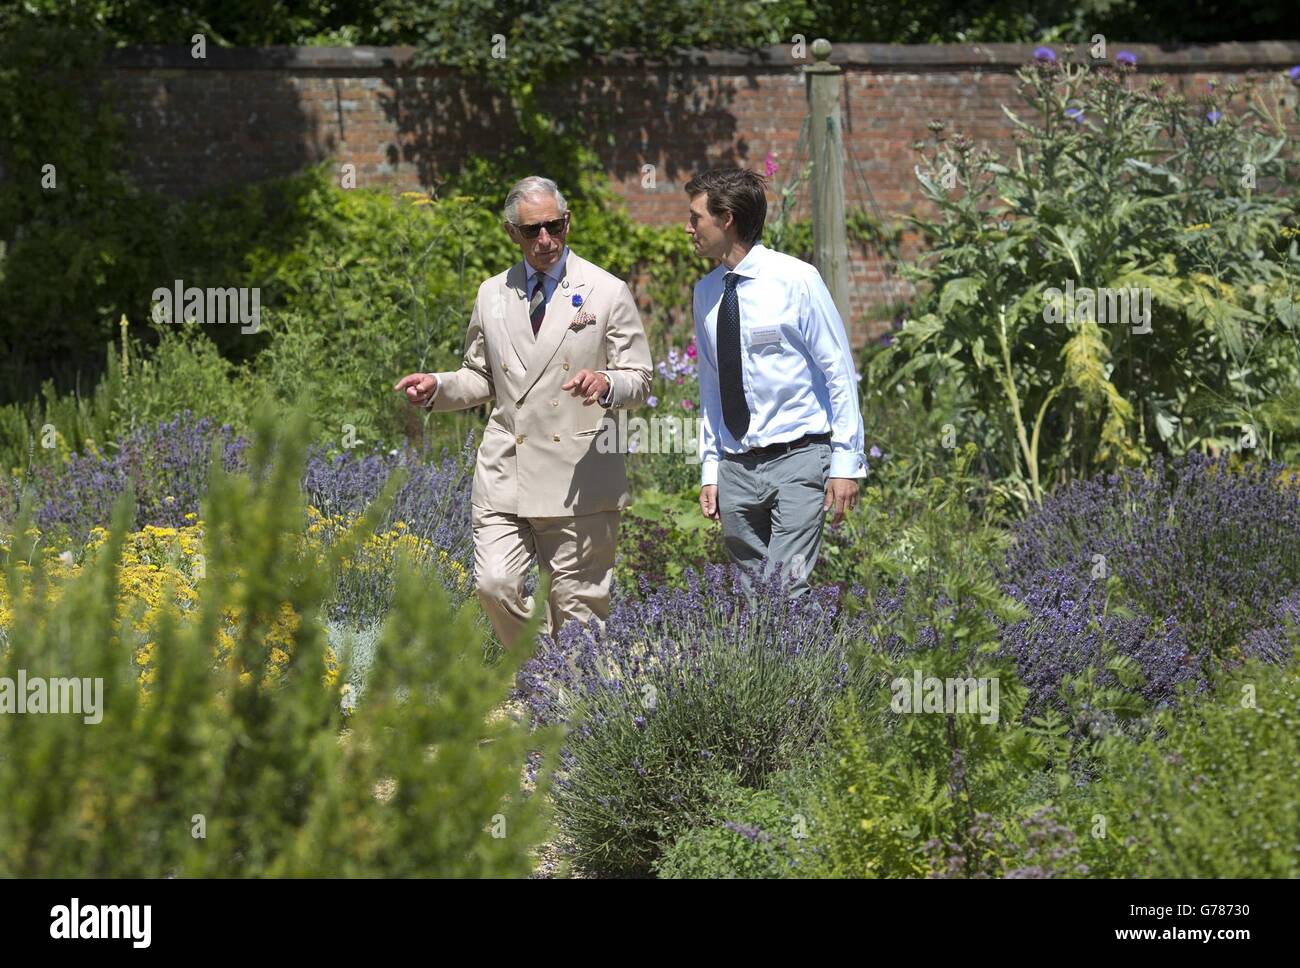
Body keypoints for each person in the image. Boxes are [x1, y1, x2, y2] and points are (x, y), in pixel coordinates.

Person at [395, 176, 652, 648]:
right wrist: (438, 386)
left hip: (579, 475)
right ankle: (538, 672)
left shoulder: (606, 290)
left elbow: (641, 378)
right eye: (532, 230)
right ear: (512, 232)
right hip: (505, 471)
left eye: (554, 226)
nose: (546, 240)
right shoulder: (491, 294)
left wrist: (607, 382)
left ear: (567, 222)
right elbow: (481, 376)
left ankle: (571, 705)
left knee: (578, 611)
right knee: (494, 584)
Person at [685, 166, 866, 598]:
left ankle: (798, 664)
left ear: (726, 218)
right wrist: (711, 469)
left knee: (783, 587)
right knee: (755, 595)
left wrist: (846, 462)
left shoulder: (797, 281)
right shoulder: (706, 293)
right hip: (736, 468)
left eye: (696, 217)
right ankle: (796, 664)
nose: (688, 227)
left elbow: (839, 373)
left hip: (800, 459)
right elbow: (710, 387)